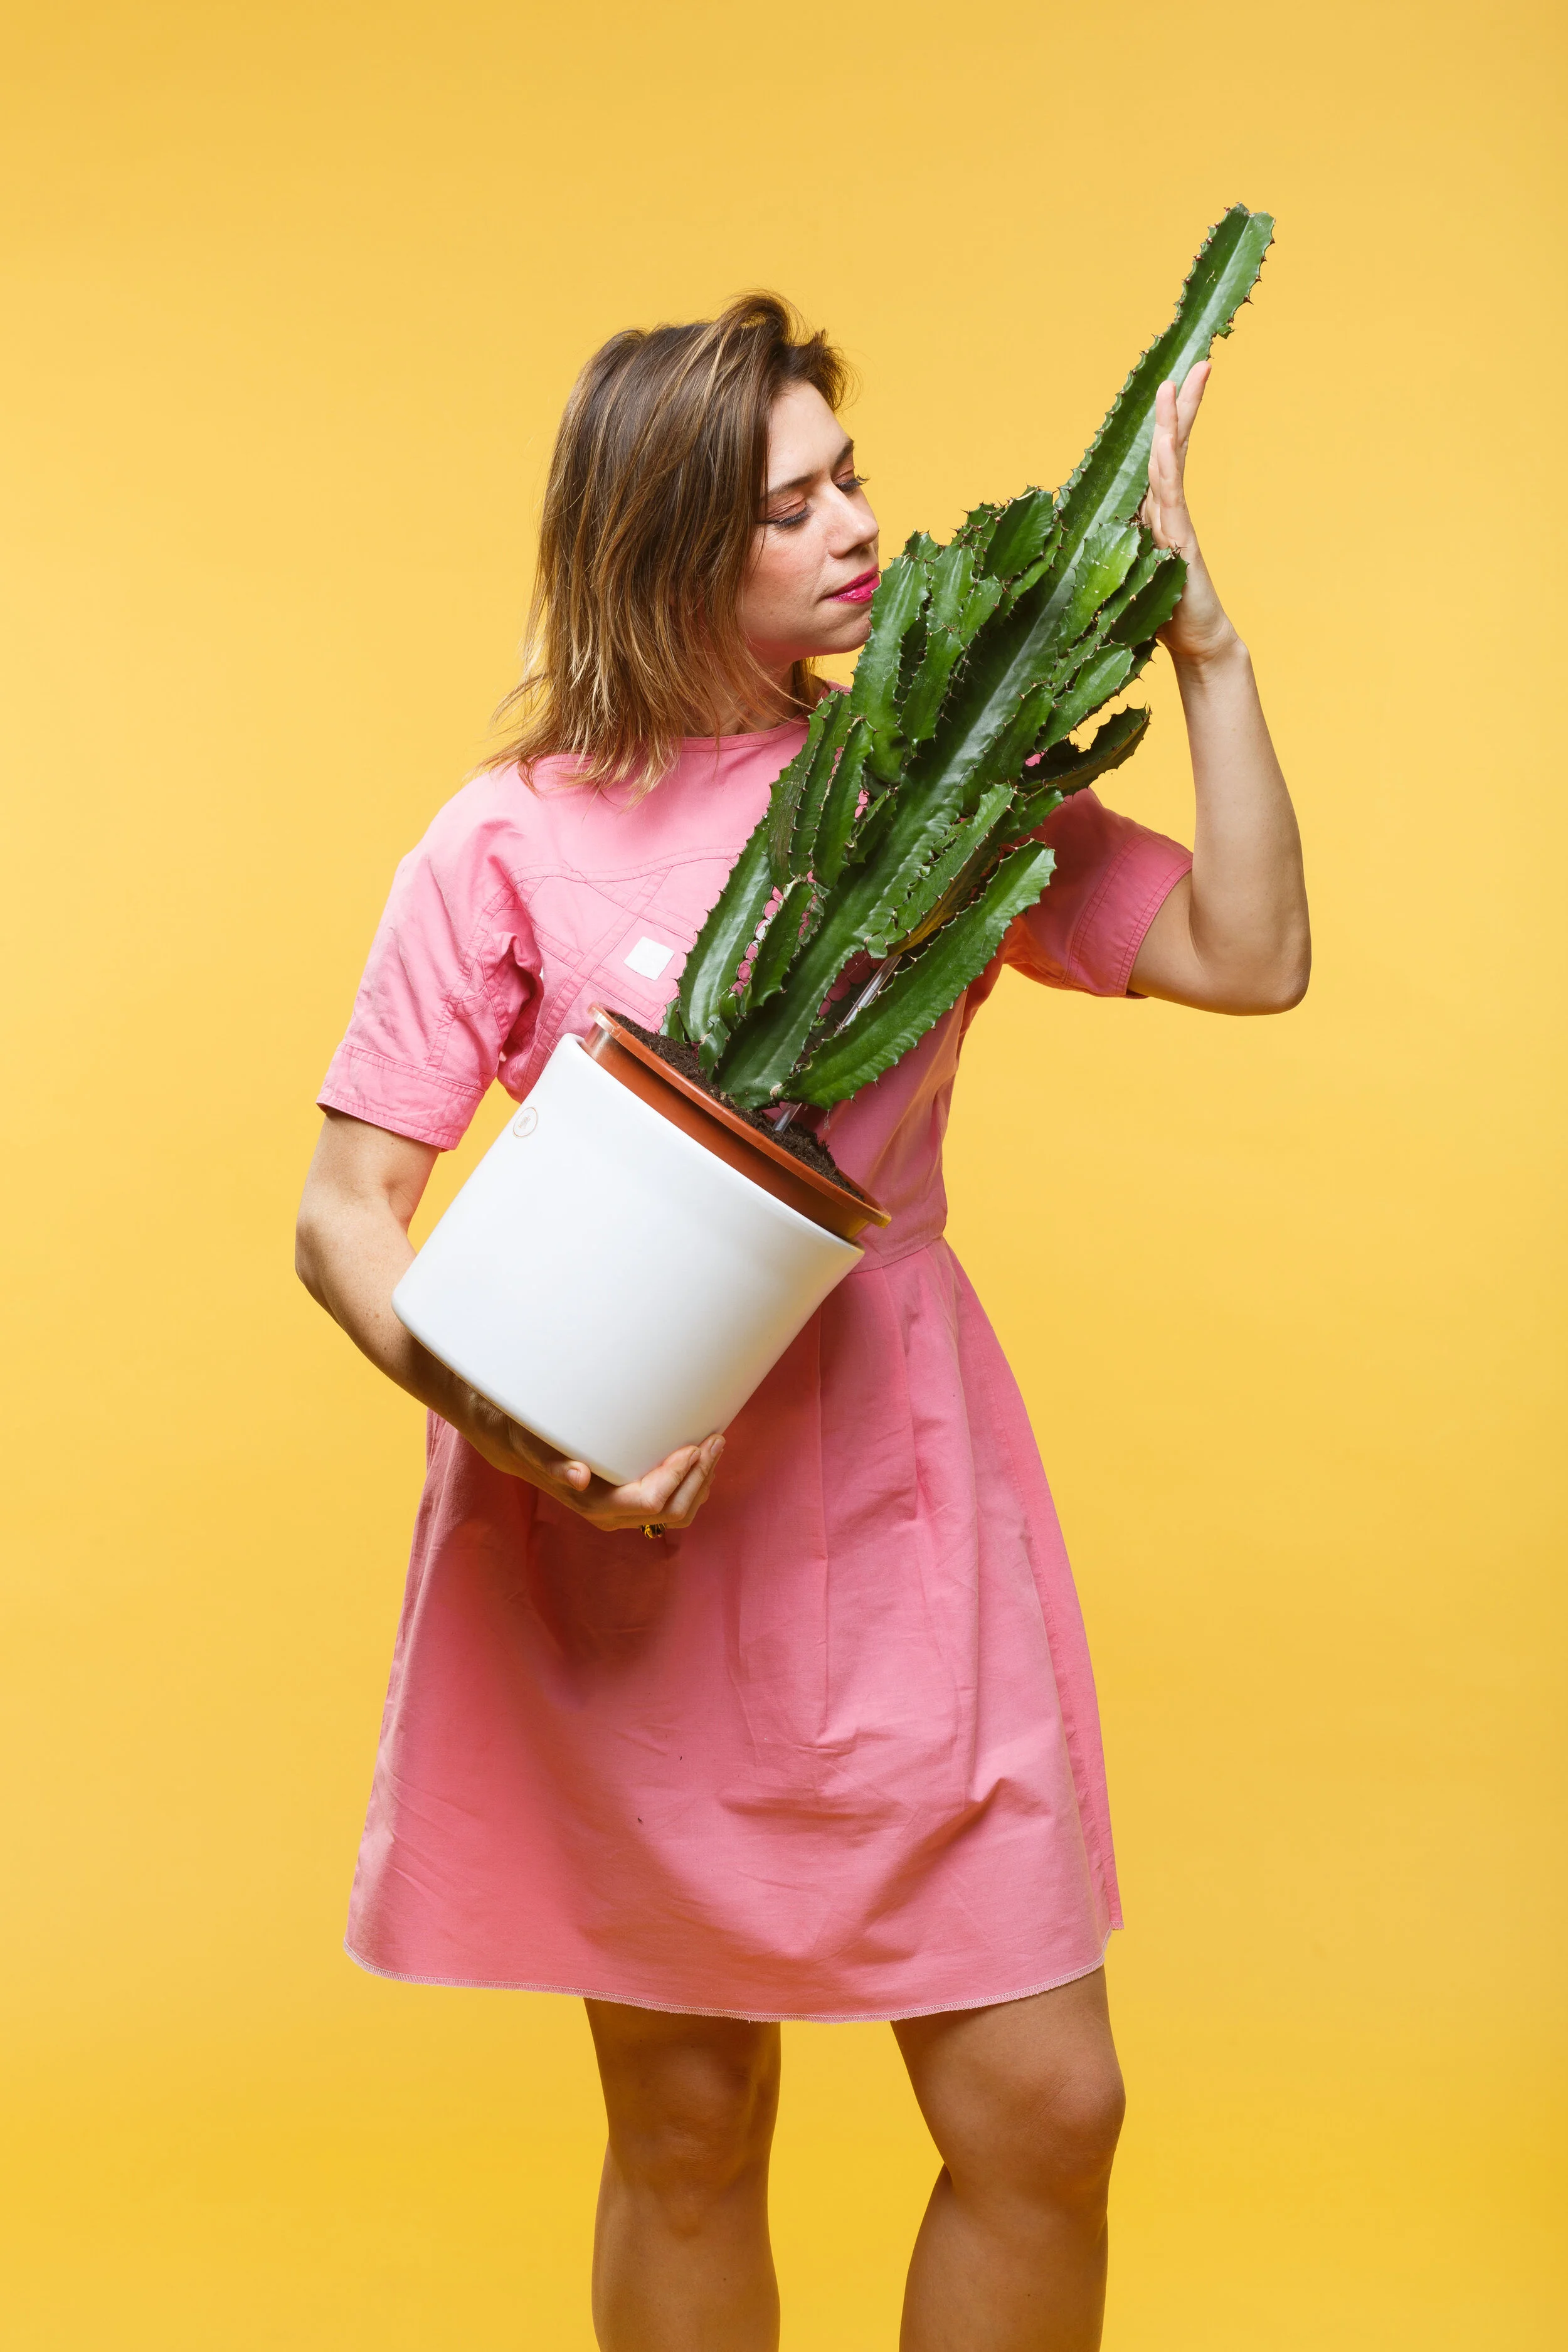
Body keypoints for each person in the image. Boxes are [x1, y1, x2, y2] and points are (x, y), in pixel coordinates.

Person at [295, 294, 1308, 2352]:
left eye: (847, 474)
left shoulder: (927, 773)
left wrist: (1203, 647)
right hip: (615, 1523)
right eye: (794, 502)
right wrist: (511, 1423)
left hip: (898, 1498)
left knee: (1045, 2100)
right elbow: (344, 1211)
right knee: (685, 2118)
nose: (860, 526)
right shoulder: (504, 838)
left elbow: (1247, 948)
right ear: (673, 548)